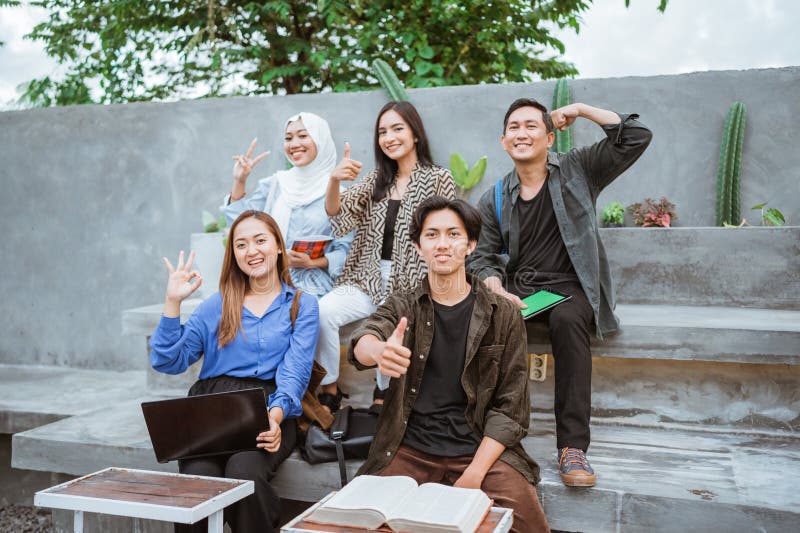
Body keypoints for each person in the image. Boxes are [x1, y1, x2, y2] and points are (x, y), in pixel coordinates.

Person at [468, 99, 652, 487]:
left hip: (572, 286)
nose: (522, 133)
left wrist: (582, 109)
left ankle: (572, 447)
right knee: (482, 317)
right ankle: (484, 434)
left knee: (569, 321)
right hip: (522, 284)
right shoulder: (496, 196)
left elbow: (635, 136)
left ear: (549, 137)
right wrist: (495, 285)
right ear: (504, 141)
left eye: (532, 126)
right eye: (514, 127)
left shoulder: (578, 168)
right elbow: (482, 256)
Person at [349, 196, 550, 533]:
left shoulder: (504, 314)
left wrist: (475, 473)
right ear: (417, 246)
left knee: (529, 526)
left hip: (479, 449)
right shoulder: (404, 304)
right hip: (409, 448)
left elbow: (511, 409)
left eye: (453, 234)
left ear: (470, 244)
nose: (442, 244)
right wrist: (378, 351)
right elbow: (364, 337)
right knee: (366, 523)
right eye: (431, 235)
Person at [150, 210, 318, 533]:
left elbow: (295, 371)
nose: (251, 251)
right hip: (210, 412)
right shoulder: (217, 305)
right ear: (234, 255)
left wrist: (276, 416)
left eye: (260, 240)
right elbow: (168, 361)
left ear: (278, 246)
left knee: (245, 473)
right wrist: (173, 302)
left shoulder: (300, 304)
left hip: (268, 408)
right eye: (241, 245)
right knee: (198, 481)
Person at [316, 101, 456, 412]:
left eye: (397, 129)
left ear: (415, 134)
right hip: (365, 276)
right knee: (323, 312)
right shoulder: (377, 178)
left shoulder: (437, 178)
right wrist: (335, 180)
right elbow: (339, 217)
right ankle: (329, 385)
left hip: (411, 281)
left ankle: (384, 391)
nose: (389, 137)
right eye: (382, 131)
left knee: (396, 324)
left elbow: (449, 232)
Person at [221, 112, 352, 298]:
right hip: (267, 281)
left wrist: (312, 262)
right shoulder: (275, 185)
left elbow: (346, 251)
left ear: (320, 139)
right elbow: (242, 225)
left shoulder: (338, 193)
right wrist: (239, 180)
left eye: (303, 135)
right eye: (288, 138)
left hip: (315, 289)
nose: (294, 144)